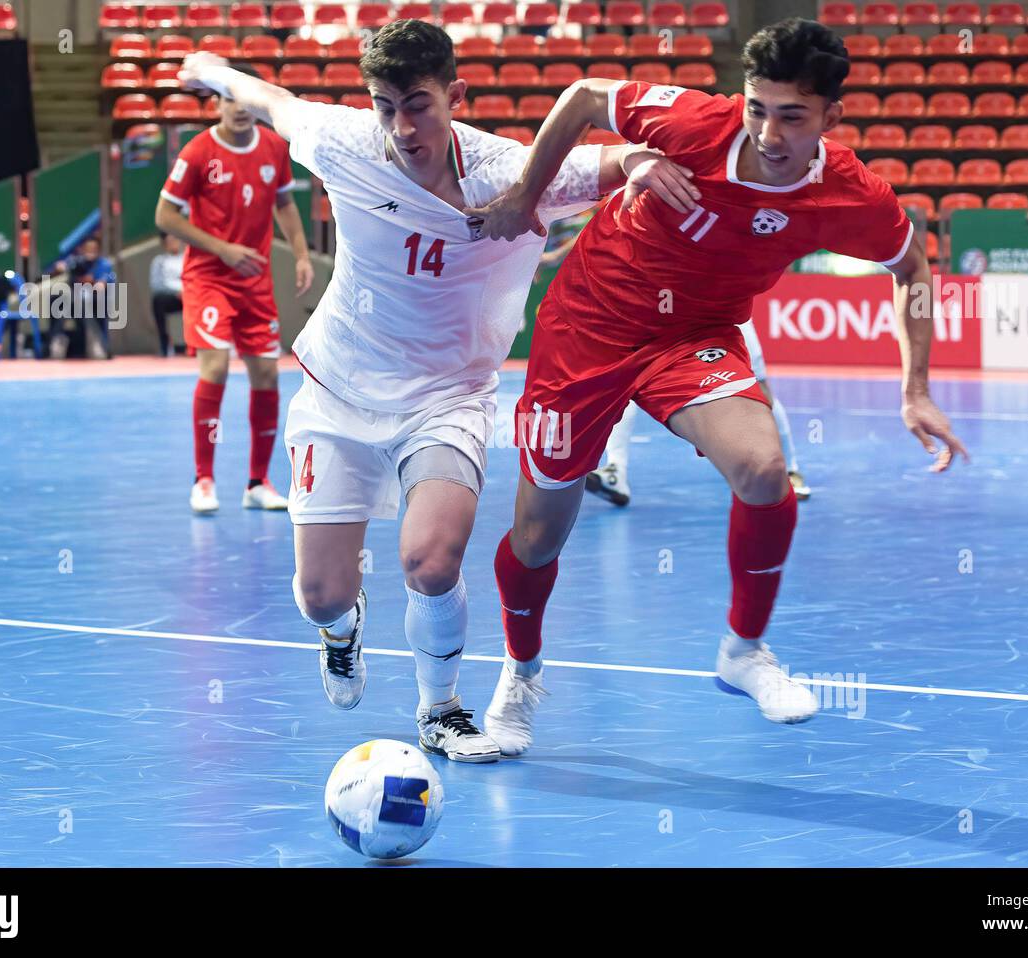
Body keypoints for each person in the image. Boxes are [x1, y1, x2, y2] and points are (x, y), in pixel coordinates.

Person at [175, 20, 687, 761]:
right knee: (321, 592)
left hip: (448, 398)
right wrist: (215, 70)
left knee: (432, 559)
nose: (402, 126)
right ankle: (340, 631)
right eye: (385, 105)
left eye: (418, 103)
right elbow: (273, 100)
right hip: (337, 392)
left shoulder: (511, 171)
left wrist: (641, 163)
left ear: (456, 94)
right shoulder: (344, 143)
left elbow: (610, 161)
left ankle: (440, 709)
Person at [469, 17, 970, 756]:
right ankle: (520, 670)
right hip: (588, 323)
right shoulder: (693, 118)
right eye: (756, 107)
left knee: (765, 470)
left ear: (832, 117)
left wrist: (916, 386)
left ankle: (744, 652)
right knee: (540, 534)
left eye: (791, 116)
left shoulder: (848, 192)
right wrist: (522, 196)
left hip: (694, 337)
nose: (768, 130)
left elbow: (913, 268)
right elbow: (580, 98)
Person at [155, 65, 315, 516]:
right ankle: (203, 478)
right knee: (216, 367)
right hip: (209, 277)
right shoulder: (198, 151)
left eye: (245, 99)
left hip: (255, 282)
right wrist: (222, 249)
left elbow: (285, 203)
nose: (239, 108)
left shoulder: (273, 148)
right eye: (229, 99)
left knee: (266, 374)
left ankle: (257, 482)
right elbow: (165, 217)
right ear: (217, 103)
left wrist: (301, 254)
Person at [587, 319, 811, 507]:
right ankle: (616, 471)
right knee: (628, 382)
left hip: (723, 310)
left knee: (758, 388)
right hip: (658, 311)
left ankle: (789, 471)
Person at [47, 235, 117, 359]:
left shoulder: (103, 264)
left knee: (85, 303)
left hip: (95, 302)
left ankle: (98, 342)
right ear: (83, 249)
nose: (90, 252)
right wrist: (61, 266)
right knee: (57, 300)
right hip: (74, 302)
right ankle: (56, 341)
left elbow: (102, 284)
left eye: (93, 249)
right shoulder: (76, 261)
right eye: (88, 249)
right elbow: (60, 267)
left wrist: (94, 282)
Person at [149, 231, 185, 356]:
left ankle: (195, 344)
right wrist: (176, 292)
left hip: (189, 296)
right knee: (157, 301)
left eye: (175, 239)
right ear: (164, 244)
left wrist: (187, 292)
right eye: (169, 241)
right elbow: (156, 285)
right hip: (171, 297)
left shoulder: (187, 259)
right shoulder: (159, 261)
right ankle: (165, 346)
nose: (173, 243)